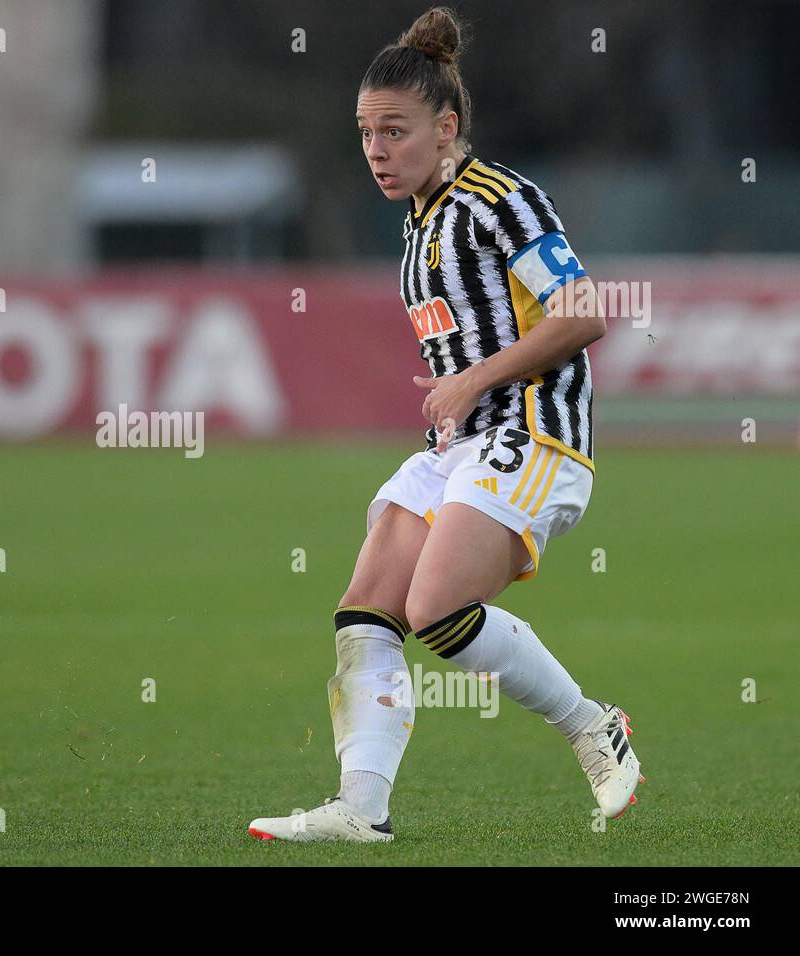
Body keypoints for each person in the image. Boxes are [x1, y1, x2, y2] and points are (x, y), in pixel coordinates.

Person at [248, 7, 642, 843]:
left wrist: (473, 377)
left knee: (437, 611)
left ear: (447, 126)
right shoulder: (419, 223)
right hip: (465, 444)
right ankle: (361, 807)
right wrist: (460, 385)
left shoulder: (497, 201)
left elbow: (584, 313)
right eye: (365, 134)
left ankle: (591, 726)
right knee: (364, 614)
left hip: (537, 430)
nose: (378, 150)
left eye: (396, 130)